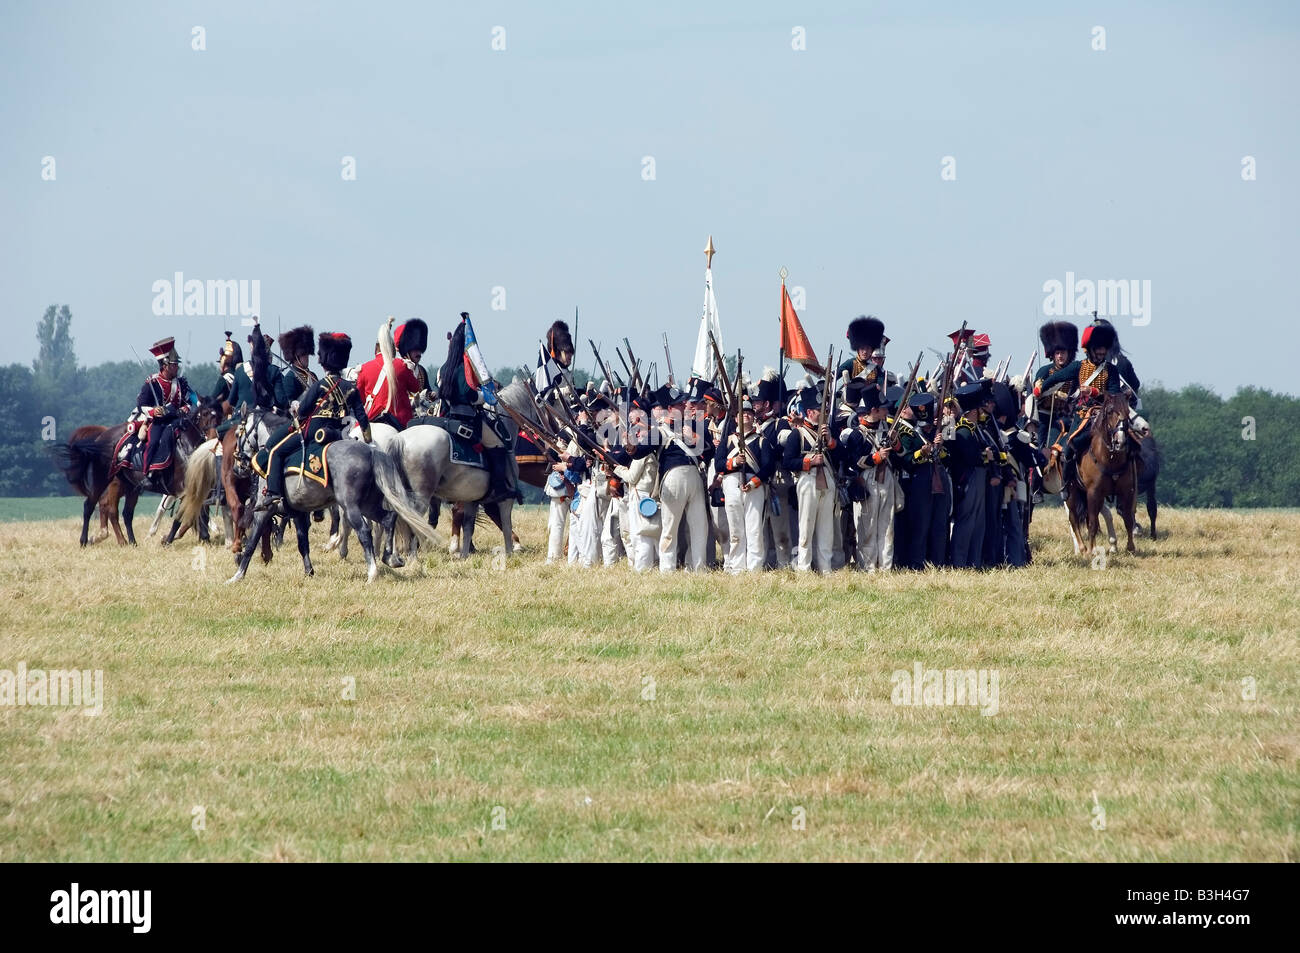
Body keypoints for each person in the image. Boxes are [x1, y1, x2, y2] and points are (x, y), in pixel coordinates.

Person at [256, 333, 371, 511]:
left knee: (276, 452)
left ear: (326, 361)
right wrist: (368, 438)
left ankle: (273, 493)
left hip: (315, 429)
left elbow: (303, 411)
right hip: (342, 431)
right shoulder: (351, 387)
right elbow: (362, 416)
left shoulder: (320, 383)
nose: (308, 359)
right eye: (304, 356)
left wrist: (300, 417)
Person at [437, 313, 513, 504]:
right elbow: (469, 396)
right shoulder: (464, 367)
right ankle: (499, 489)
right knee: (498, 444)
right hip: (467, 418)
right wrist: (484, 398)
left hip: (449, 416)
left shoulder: (445, 367)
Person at [1034, 322, 1122, 475]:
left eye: (1103, 351)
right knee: (1070, 446)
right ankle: (1067, 483)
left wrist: (1094, 392)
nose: (1101, 354)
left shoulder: (1112, 370)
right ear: (1090, 350)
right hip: (1082, 415)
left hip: (1105, 414)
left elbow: (1115, 395)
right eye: (1098, 351)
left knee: (1129, 439)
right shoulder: (1078, 366)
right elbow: (1056, 378)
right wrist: (1041, 388)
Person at [120, 337, 196, 489]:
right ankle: (149, 472)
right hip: (159, 421)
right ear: (165, 365)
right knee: (154, 441)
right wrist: (155, 411)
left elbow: (191, 401)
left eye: (176, 364)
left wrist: (184, 409)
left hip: (178, 420)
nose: (177, 368)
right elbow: (141, 405)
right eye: (174, 365)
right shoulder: (152, 383)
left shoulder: (181, 383)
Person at [714, 392, 776, 573]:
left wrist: (754, 482)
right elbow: (719, 464)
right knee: (736, 528)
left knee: (754, 528)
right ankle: (736, 566)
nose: (746, 416)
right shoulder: (728, 441)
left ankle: (755, 566)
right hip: (732, 482)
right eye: (742, 413)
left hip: (753, 485)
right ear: (736, 418)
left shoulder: (761, 441)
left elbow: (768, 467)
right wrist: (734, 462)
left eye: (749, 413)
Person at [784, 383, 840, 574]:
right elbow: (788, 462)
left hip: (827, 481)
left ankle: (825, 568)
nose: (822, 413)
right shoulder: (797, 434)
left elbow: (843, 456)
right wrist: (808, 462)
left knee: (827, 529)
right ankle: (804, 568)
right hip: (807, 480)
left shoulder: (828, 432)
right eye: (819, 410)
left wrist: (831, 442)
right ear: (809, 412)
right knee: (806, 527)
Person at [845, 384, 903, 572]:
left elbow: (902, 456)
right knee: (867, 528)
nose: (887, 411)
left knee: (887, 528)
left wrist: (895, 442)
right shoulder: (857, 434)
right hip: (868, 481)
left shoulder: (887, 430)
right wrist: (875, 458)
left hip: (887, 479)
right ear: (874, 410)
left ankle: (885, 567)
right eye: (883, 408)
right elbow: (853, 463)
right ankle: (869, 567)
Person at [947, 382, 991, 569]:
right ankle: (959, 563)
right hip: (968, 480)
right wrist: (985, 456)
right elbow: (972, 458)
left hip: (976, 479)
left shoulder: (973, 430)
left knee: (976, 523)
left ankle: (973, 562)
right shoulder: (963, 431)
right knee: (966, 523)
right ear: (974, 410)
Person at [357, 320, 424, 429]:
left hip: (371, 419)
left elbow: (361, 399)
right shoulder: (402, 365)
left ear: (376, 349)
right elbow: (415, 387)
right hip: (399, 420)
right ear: (392, 347)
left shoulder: (364, 368)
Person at [272, 326, 316, 416]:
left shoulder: (313, 375)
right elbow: (289, 405)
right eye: (304, 354)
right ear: (296, 356)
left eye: (307, 354)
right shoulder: (290, 378)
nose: (307, 357)